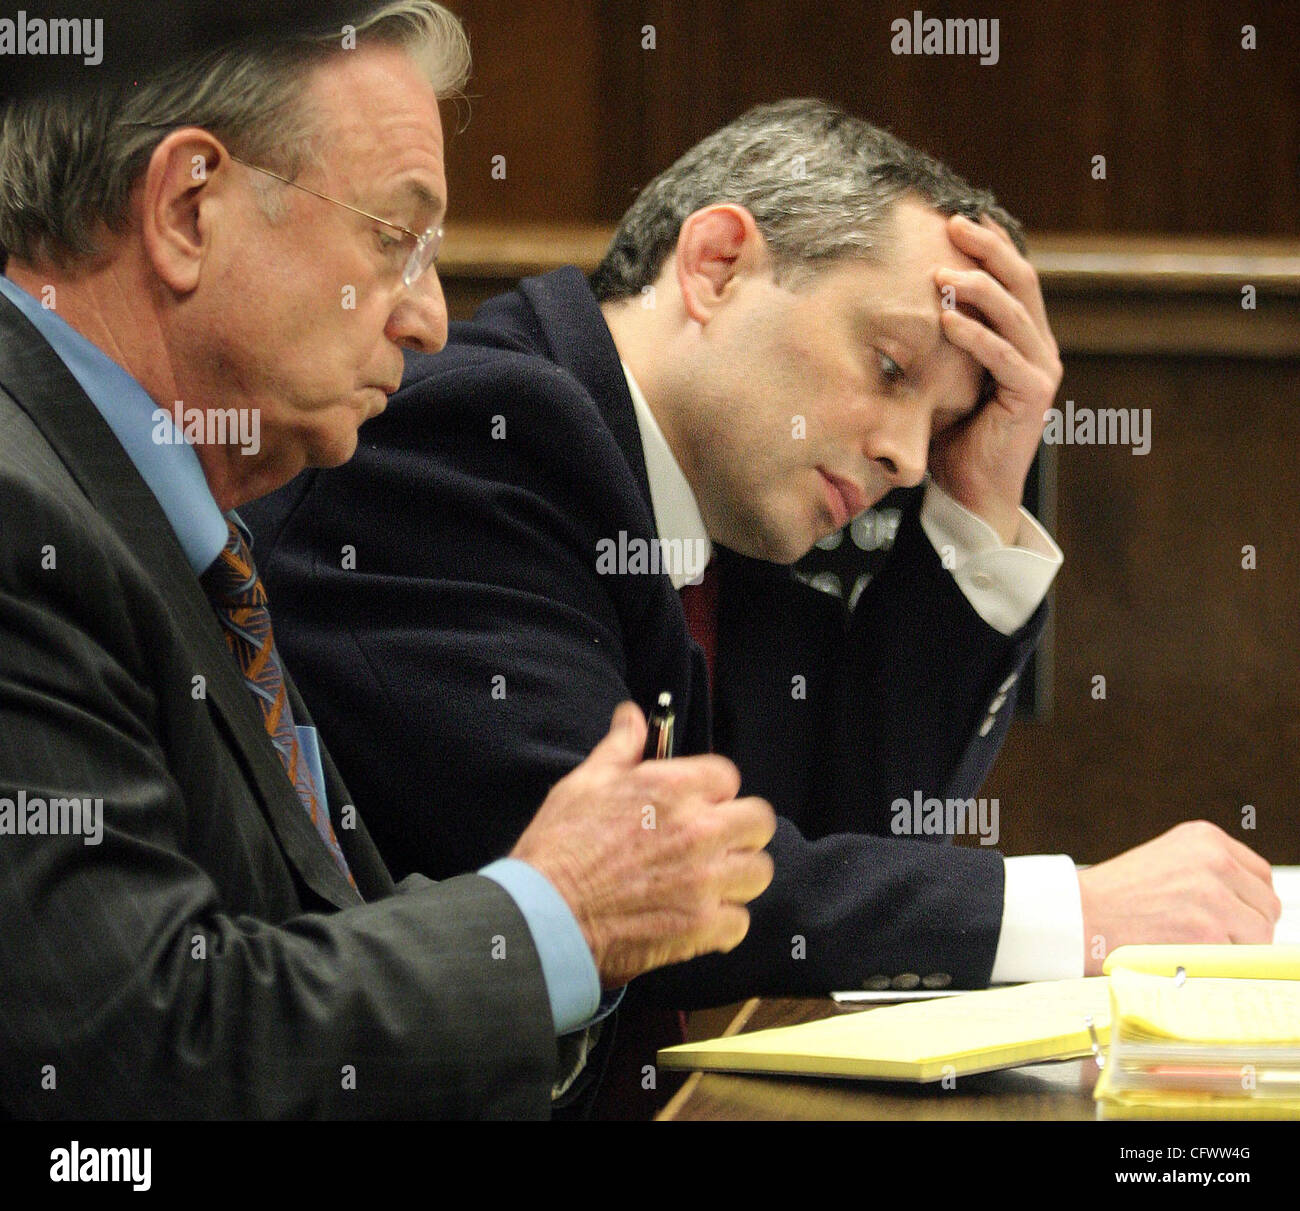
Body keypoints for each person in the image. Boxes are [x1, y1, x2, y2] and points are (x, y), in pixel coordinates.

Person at [245, 99, 1279, 1090]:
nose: (907, 456)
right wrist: (1075, 906)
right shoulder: (480, 430)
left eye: (942, 423)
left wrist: (974, 504)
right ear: (718, 264)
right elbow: (649, 893)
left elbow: (846, 838)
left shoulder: (716, 506)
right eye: (888, 364)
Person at [0, 2, 776, 1120]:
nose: (426, 319)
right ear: (187, 208)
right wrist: (547, 916)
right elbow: (135, 1056)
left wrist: (555, 916)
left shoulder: (177, 519)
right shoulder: (25, 520)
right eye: (392, 238)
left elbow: (298, 942)